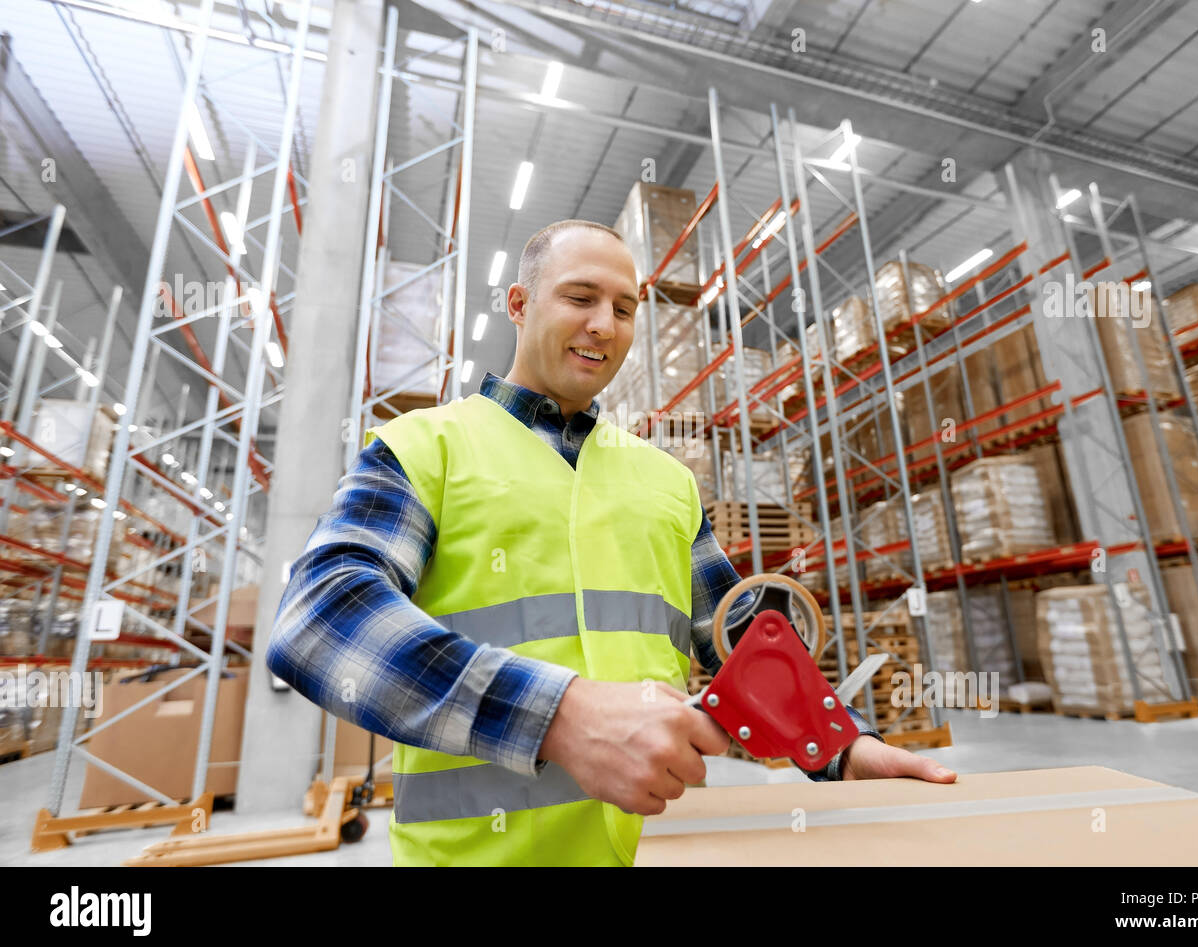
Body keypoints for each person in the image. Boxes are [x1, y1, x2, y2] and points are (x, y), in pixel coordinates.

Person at [267, 218, 956, 866]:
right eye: (580, 297)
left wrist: (842, 745)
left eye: (625, 309)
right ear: (517, 302)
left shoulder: (665, 480)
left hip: (655, 853)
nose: (604, 325)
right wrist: (556, 717)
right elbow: (320, 618)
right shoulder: (425, 449)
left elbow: (741, 645)